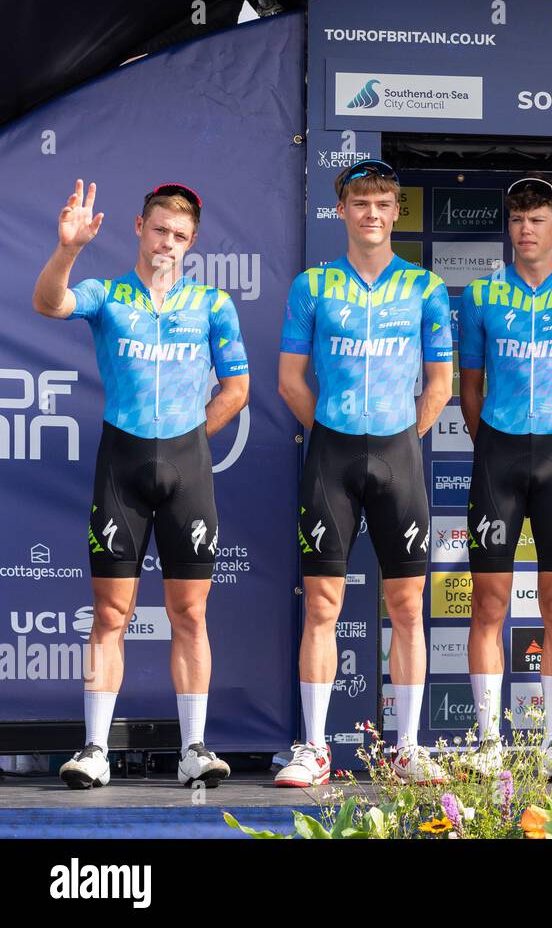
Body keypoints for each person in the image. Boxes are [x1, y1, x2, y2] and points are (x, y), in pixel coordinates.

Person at [33, 180, 249, 789]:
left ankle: (193, 750)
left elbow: (237, 389)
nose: (167, 243)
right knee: (110, 613)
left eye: (180, 236)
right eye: (159, 230)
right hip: (120, 466)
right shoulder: (108, 294)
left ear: (192, 243)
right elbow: (49, 303)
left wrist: (188, 439)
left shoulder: (212, 304)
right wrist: (68, 248)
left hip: (188, 469)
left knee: (189, 613)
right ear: (138, 228)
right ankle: (95, 750)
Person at [275, 160, 452, 786]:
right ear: (341, 211)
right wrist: (333, 429)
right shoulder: (312, 286)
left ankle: (408, 747)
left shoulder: (425, 288)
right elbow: (291, 379)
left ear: (396, 210)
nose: (371, 213)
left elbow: (439, 384)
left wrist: (399, 437)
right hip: (332, 455)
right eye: (359, 203)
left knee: (407, 606)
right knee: (322, 603)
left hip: (398, 455)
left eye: (381, 202)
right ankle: (315, 749)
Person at [458, 175, 552, 780]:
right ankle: (489, 742)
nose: (527, 229)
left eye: (538, 218)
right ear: (509, 227)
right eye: (518, 218)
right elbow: (469, 386)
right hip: (498, 452)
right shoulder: (480, 295)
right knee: (488, 602)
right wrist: (489, 440)